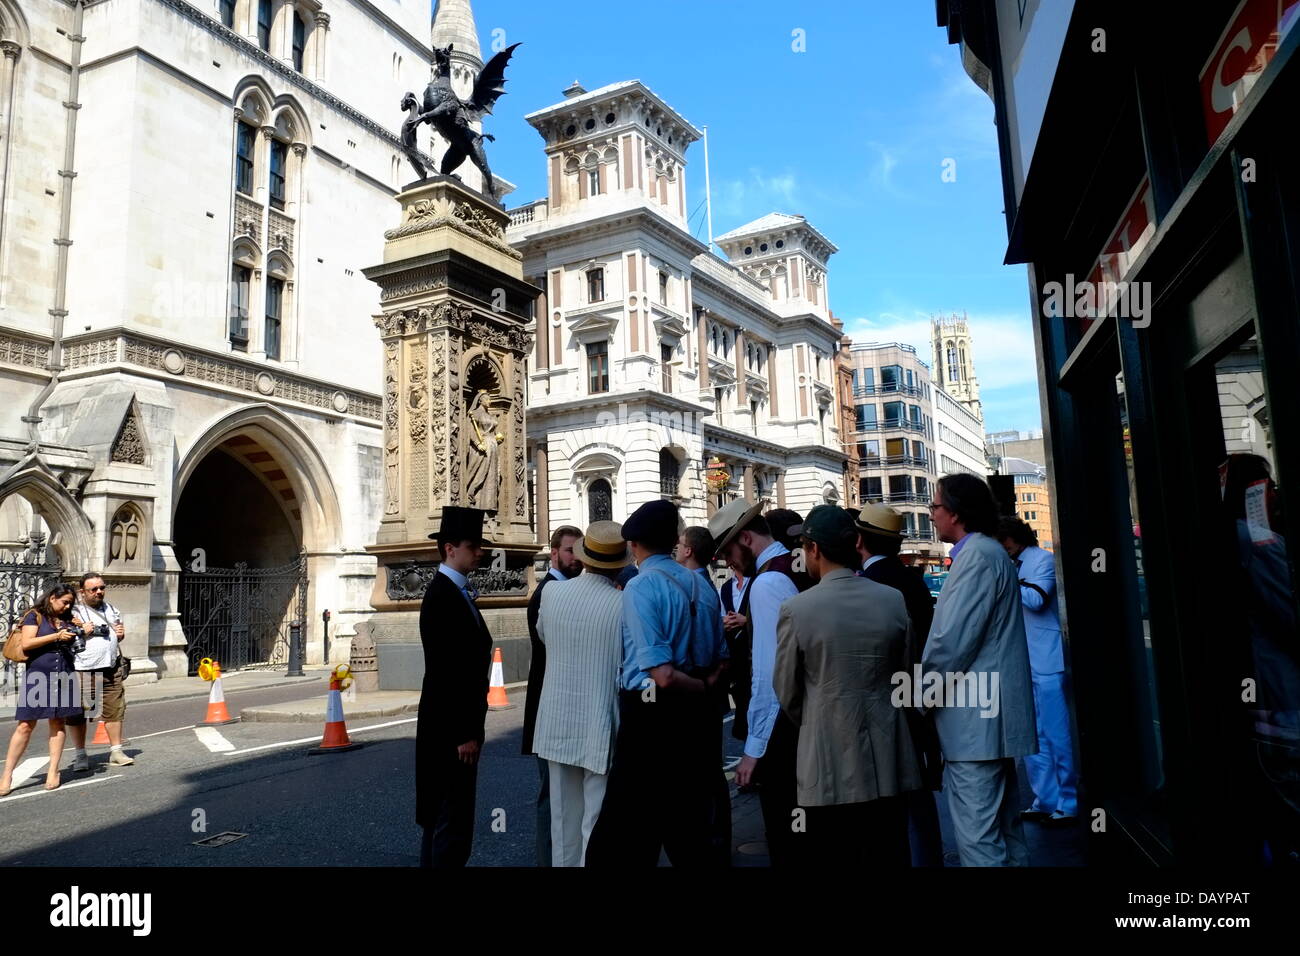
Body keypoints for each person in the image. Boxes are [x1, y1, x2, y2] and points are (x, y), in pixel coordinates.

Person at [775, 506, 921, 867]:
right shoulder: (892, 599)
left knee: (835, 854)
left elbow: (787, 691)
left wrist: (818, 718)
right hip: (889, 758)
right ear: (855, 542)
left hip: (827, 762)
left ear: (814, 549)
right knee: (889, 852)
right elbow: (908, 675)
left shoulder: (797, 609)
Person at [585, 500, 728, 867]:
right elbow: (720, 657)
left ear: (634, 546)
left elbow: (660, 674)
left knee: (624, 830)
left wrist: (701, 688)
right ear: (673, 541)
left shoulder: (641, 586)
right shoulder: (701, 586)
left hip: (649, 714)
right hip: (695, 718)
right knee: (688, 823)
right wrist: (708, 686)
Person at [923, 474, 1037, 866]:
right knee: (1006, 832)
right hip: (989, 722)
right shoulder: (988, 553)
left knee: (979, 841)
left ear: (955, 512)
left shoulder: (975, 558)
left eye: (935, 507)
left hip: (975, 725)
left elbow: (951, 642)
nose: (932, 514)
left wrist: (921, 696)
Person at [710, 499, 808, 866]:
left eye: (728, 552)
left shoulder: (767, 583)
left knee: (784, 832)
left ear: (746, 539)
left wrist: (754, 748)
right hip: (809, 718)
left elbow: (770, 673)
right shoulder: (800, 565)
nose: (727, 562)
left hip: (785, 727)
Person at [533, 521, 632, 866]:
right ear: (619, 564)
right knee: (596, 821)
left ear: (584, 557)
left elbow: (545, 636)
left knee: (561, 819)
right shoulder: (622, 604)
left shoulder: (551, 593)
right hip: (600, 723)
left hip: (556, 721)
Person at [854, 504, 944, 865]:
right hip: (915, 693)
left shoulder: (869, 586)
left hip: (881, 702)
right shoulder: (912, 580)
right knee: (919, 791)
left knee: (887, 797)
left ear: (859, 540)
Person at [416, 506, 493, 868]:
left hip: (450, 729)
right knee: (451, 820)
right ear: (450, 548)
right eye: (472, 545)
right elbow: (449, 672)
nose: (480, 551)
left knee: (448, 819)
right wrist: (465, 732)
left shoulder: (456, 591)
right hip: (450, 733)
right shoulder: (443, 596)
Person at [997, 516, 1078, 826]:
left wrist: (1005, 579)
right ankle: (1044, 799)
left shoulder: (1041, 560)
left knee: (1057, 734)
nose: (1002, 547)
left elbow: (1036, 599)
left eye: (1004, 540)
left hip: (1046, 659)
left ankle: (1069, 801)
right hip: (1020, 659)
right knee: (1032, 736)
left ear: (1015, 538)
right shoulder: (1011, 562)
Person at [522, 524, 582, 867]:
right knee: (551, 795)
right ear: (554, 552)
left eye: (579, 551)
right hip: (549, 706)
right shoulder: (549, 593)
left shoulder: (566, 591)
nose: (575, 558)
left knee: (564, 793)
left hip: (557, 705)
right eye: (570, 551)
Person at [676, 523, 733, 864]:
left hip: (698, 696)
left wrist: (701, 682)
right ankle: (717, 841)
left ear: (689, 551)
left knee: (699, 775)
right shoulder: (708, 584)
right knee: (711, 773)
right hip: (709, 694)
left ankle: (708, 844)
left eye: (680, 544)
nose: (676, 549)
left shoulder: (693, 586)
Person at [0, 583, 84, 795]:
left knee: (57, 722)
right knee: (25, 725)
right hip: (38, 676)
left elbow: (78, 645)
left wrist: (81, 630)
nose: (67, 607)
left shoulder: (68, 619)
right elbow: (27, 643)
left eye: (71, 603)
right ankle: (7, 774)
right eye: (65, 602)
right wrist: (57, 636)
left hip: (64, 674)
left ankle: (53, 771)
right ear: (53, 598)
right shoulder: (34, 615)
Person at [66, 573, 132, 771]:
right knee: (80, 714)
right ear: (82, 592)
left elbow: (116, 635)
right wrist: (81, 631)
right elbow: (64, 637)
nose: (99, 592)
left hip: (111, 669)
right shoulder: (73, 612)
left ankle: (117, 751)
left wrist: (120, 635)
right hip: (84, 670)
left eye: (101, 588)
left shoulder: (112, 609)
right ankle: (80, 755)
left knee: (115, 711)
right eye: (93, 589)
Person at [719, 556, 750, 742]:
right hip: (734, 660)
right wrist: (724, 623)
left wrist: (746, 621)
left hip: (751, 658)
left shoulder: (756, 583)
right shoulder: (725, 588)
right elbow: (722, 617)